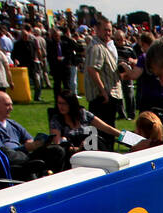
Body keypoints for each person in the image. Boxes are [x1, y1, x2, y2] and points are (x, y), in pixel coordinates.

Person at [84, 18, 125, 151]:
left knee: (107, 133)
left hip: (107, 96)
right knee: (104, 135)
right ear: (97, 30)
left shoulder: (105, 46)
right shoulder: (97, 47)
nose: (108, 33)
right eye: (105, 30)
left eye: (110, 30)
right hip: (103, 98)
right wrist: (103, 92)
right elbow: (92, 70)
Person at [47, 89, 121, 152]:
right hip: (72, 154)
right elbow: (58, 145)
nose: (61, 107)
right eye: (59, 103)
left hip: (91, 149)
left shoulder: (83, 114)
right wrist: (78, 149)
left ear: (72, 104)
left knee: (96, 140)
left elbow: (107, 128)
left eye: (64, 104)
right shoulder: (56, 120)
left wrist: (129, 138)